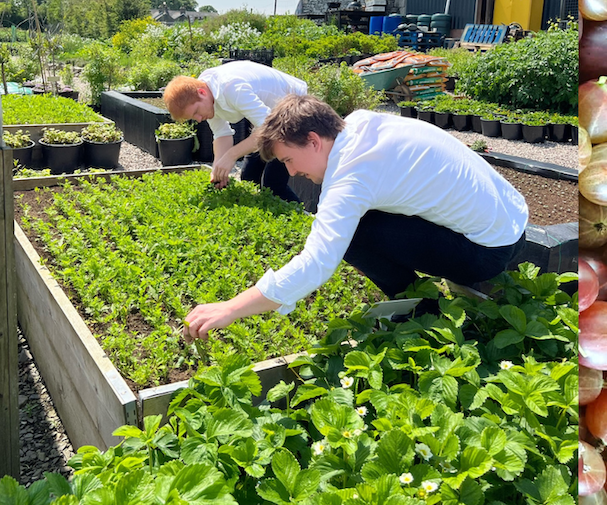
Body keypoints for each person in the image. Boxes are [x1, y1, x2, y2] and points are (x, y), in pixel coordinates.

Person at [184, 93, 528, 340]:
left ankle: (421, 307)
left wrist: (230, 308)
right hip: (515, 226)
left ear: (314, 141)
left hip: (488, 253)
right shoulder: (361, 123)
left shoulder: (352, 176)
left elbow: (317, 263)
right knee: (363, 219)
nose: (290, 172)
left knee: (353, 234)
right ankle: (423, 294)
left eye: (289, 160)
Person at [163, 61, 308, 201]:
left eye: (197, 112)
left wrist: (231, 156)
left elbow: (271, 127)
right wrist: (218, 167)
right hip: (267, 117)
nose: (199, 119)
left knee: (274, 185)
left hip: (293, 107)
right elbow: (222, 134)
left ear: (201, 93)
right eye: (194, 117)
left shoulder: (231, 88)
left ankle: (306, 222)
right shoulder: (207, 97)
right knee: (249, 176)